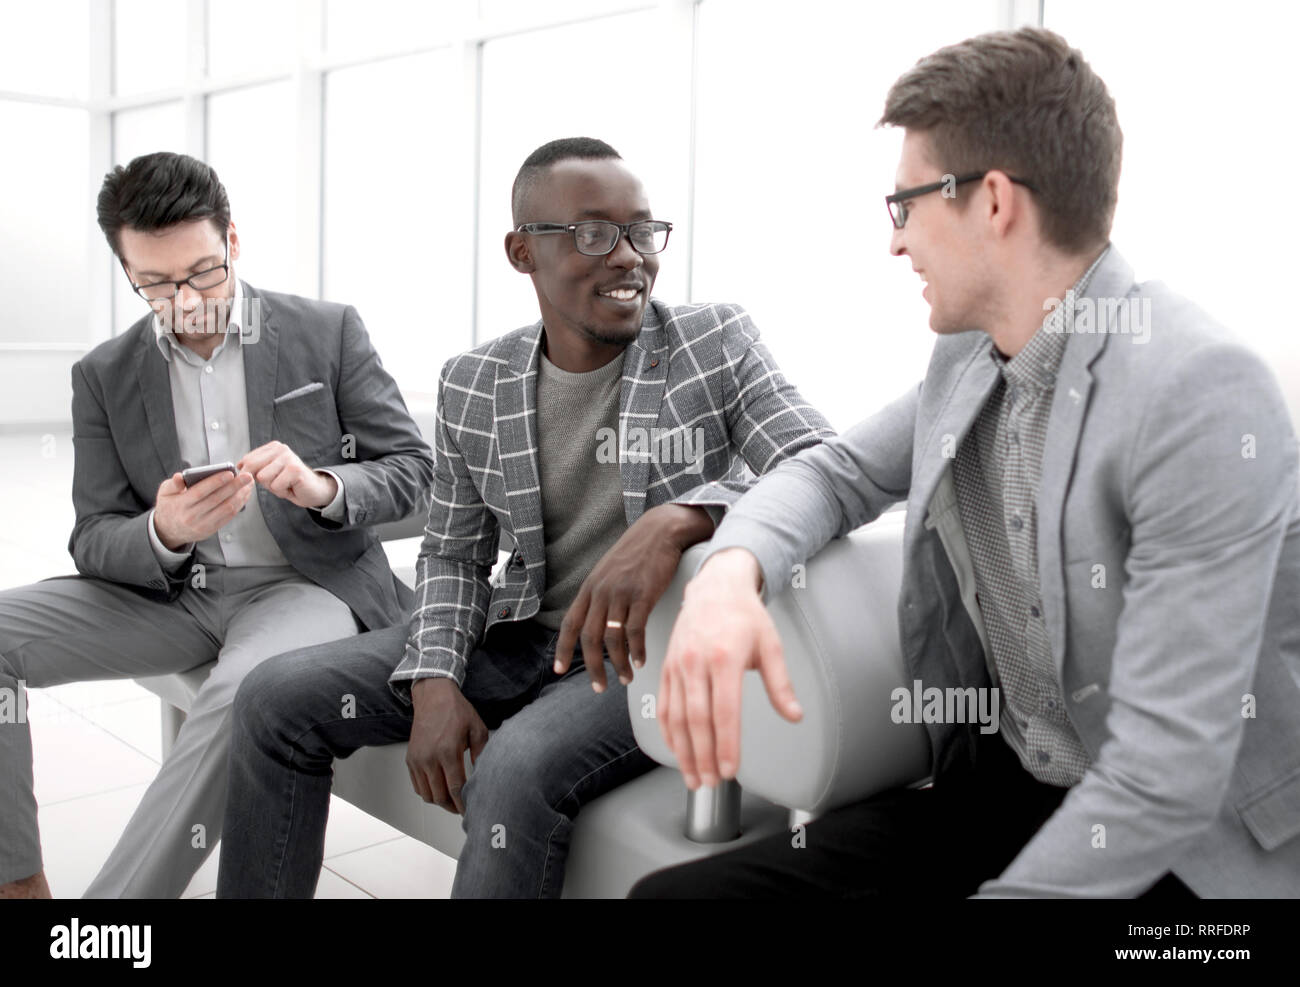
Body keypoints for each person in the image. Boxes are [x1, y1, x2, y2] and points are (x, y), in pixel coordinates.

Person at [631, 27, 1300, 898]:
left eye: (903, 205)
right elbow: (834, 474)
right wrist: (729, 575)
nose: (895, 243)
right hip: (1010, 792)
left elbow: (1166, 774)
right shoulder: (972, 359)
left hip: (1186, 860)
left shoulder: (1197, 388)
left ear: (992, 203)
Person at [216, 136, 834, 898]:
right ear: (521, 253)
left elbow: (819, 462)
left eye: (643, 231)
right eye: (593, 233)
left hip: (643, 654)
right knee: (273, 699)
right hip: (518, 641)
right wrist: (435, 680)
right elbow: (452, 556)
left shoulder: (714, 342)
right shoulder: (475, 382)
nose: (629, 256)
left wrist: (686, 516)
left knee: (511, 770)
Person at [0, 151, 434, 899]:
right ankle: (18, 883)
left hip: (304, 586)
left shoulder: (324, 333)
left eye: (203, 271)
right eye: (157, 284)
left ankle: (103, 926)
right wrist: (161, 532)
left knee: (244, 692)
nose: (188, 299)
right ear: (126, 272)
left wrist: (323, 485)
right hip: (172, 594)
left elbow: (415, 473)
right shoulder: (103, 375)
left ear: (233, 240)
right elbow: (93, 533)